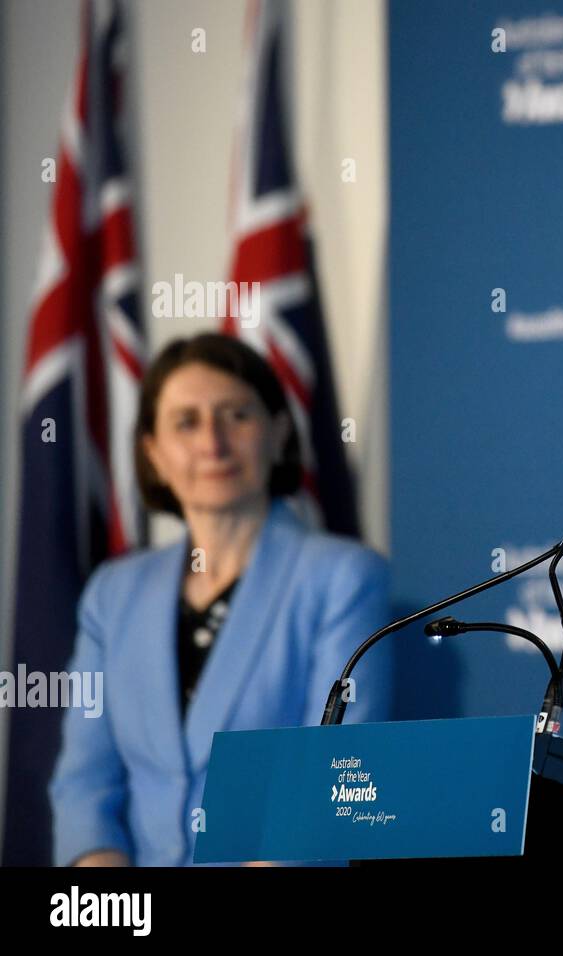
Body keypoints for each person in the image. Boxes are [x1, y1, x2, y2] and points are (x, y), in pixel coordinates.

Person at [49, 333, 392, 866]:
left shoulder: (343, 578)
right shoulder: (112, 594)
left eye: (236, 415)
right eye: (186, 422)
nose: (213, 443)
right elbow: (84, 783)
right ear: (154, 455)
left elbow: (336, 779)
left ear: (279, 434)